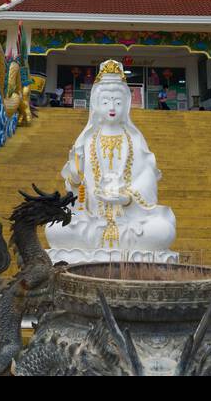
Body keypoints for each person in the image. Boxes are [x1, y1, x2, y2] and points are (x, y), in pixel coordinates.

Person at [45, 60, 177, 261]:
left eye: (117, 102)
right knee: (55, 229)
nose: (112, 108)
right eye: (106, 102)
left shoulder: (134, 138)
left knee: (162, 230)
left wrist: (127, 197)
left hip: (130, 220)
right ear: (96, 104)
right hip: (91, 218)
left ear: (126, 104)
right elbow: (74, 184)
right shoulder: (87, 139)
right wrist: (73, 177)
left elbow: (147, 177)